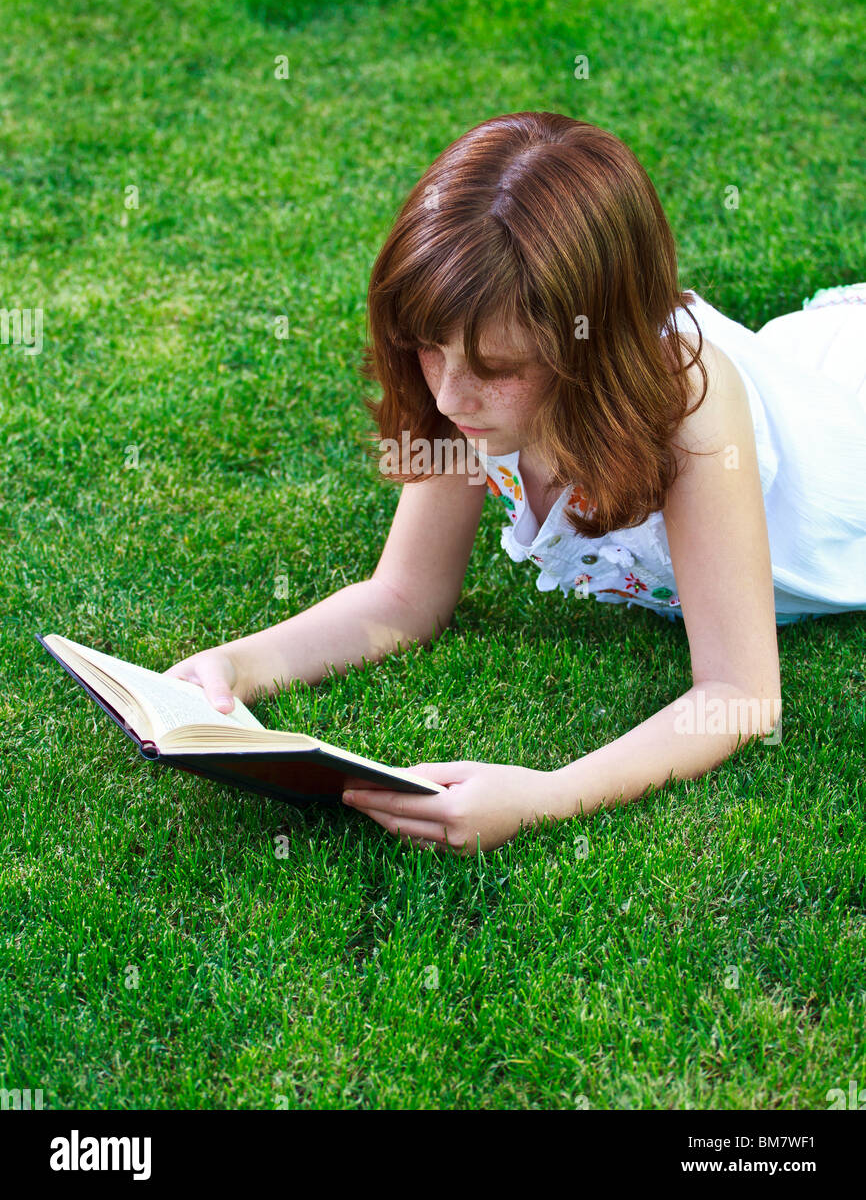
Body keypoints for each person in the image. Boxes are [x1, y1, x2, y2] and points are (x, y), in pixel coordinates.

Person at [163, 113, 866, 855]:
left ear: (591, 352)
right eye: (428, 350)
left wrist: (546, 795)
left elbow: (740, 695)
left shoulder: (687, 406)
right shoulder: (475, 391)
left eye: (496, 369)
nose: (448, 399)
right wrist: (236, 666)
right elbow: (404, 598)